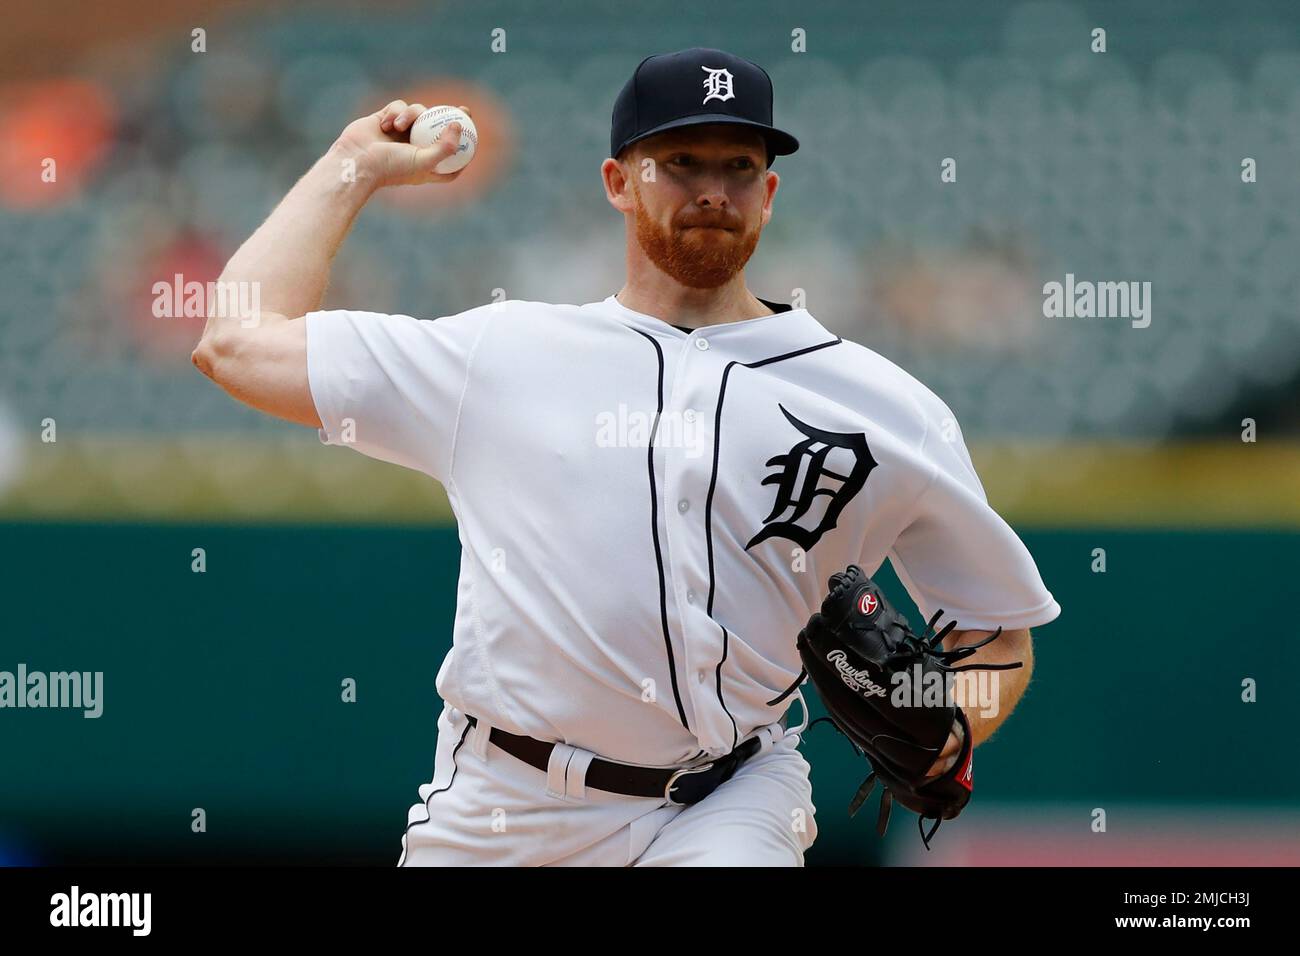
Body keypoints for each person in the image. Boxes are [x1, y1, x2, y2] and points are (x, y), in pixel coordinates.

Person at [191, 47, 1059, 866]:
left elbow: (995, 632)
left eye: (738, 167)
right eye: (680, 162)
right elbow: (234, 342)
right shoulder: (501, 354)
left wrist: (947, 726)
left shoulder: (884, 405)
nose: (712, 188)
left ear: (769, 192)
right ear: (619, 181)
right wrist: (354, 163)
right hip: (501, 800)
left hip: (729, 800)